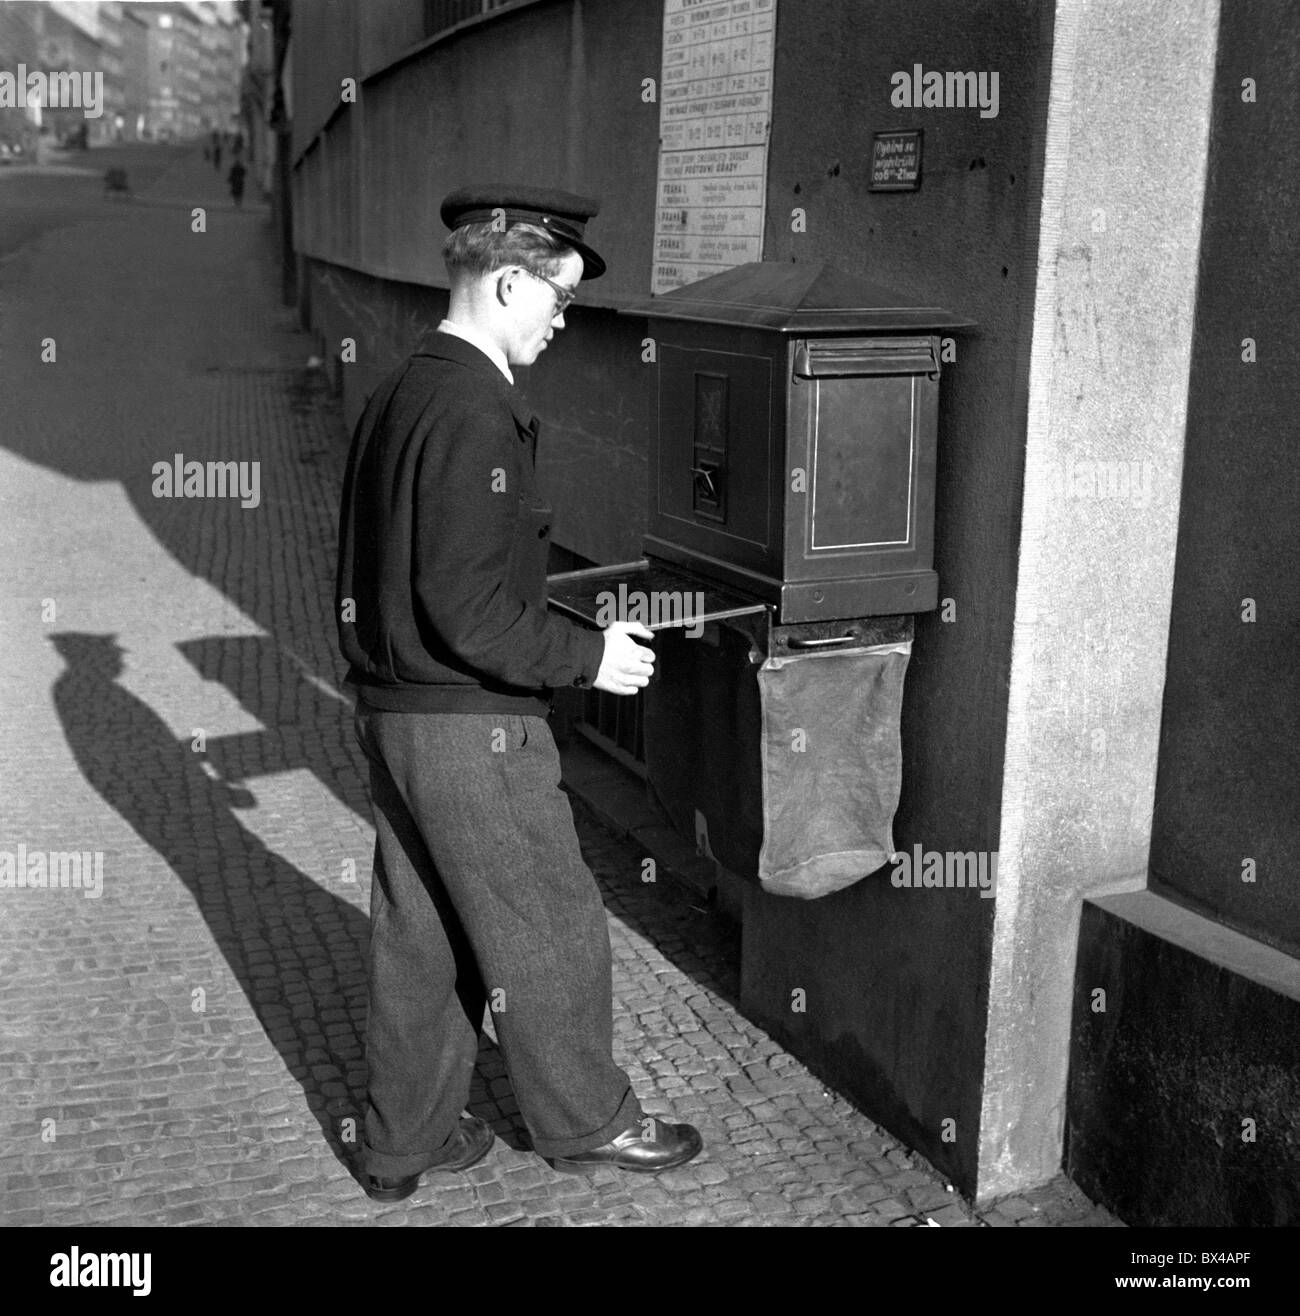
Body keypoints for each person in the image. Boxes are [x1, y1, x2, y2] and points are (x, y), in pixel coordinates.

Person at [335, 186, 703, 1202]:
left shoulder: (401, 386)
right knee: (548, 917)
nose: (562, 318)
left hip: (398, 709)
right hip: (470, 722)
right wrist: (589, 657)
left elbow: (386, 575)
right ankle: (590, 1122)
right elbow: (468, 607)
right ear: (507, 281)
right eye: (560, 297)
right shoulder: (473, 404)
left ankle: (400, 1142)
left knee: (422, 932)